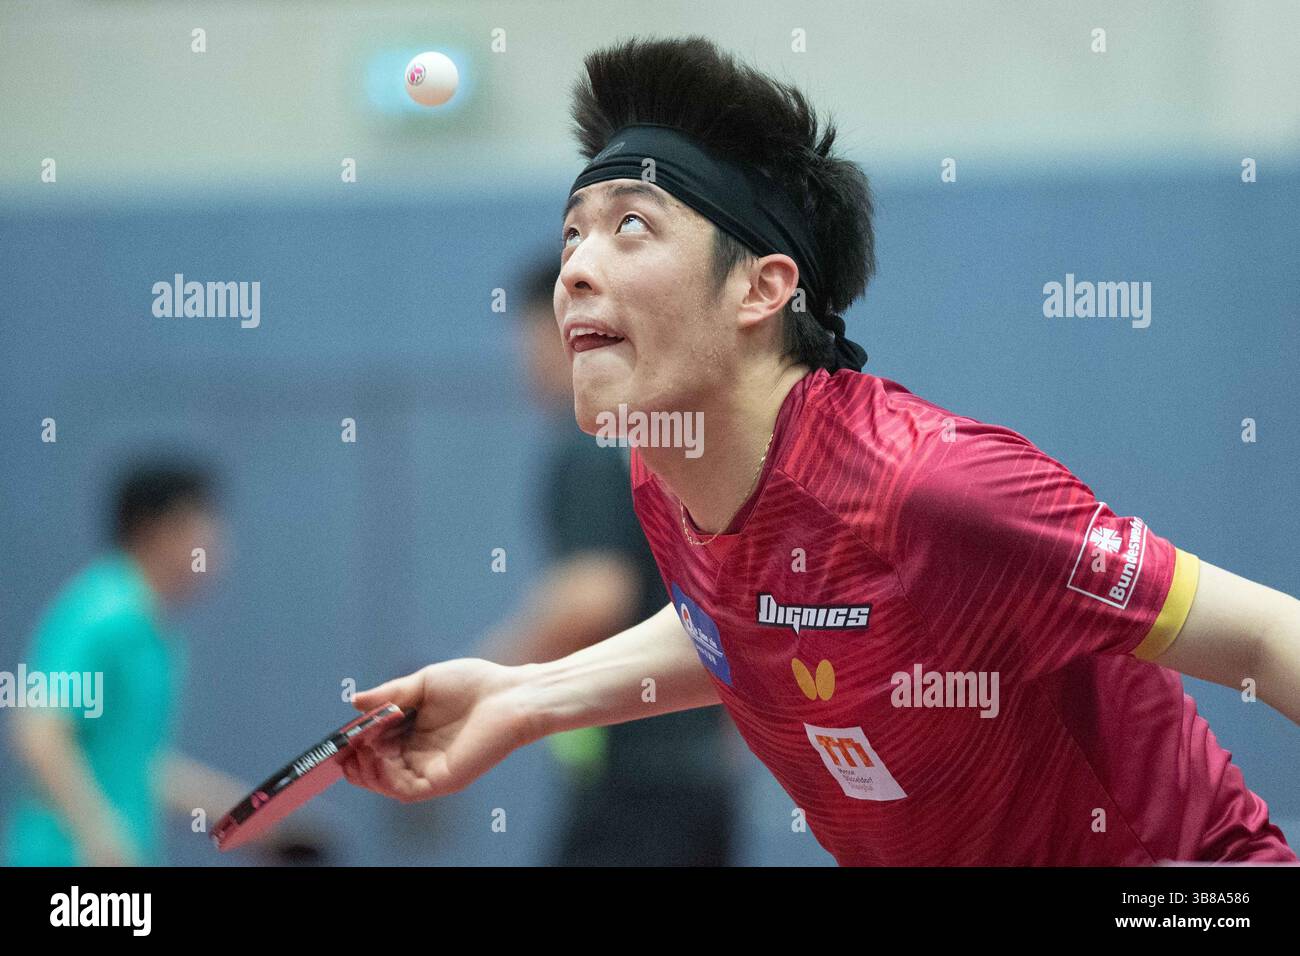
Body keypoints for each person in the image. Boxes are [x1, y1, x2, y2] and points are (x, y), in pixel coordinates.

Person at [341, 36, 1298, 865]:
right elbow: (759, 615)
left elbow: (1263, 635)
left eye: (630, 225)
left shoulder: (934, 489)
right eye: (573, 234)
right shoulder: (666, 469)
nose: (576, 268)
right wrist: (523, 698)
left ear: (762, 289)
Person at [477, 255, 737, 865]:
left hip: (634, 786)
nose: (522, 359)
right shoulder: (667, 441)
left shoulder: (588, 448)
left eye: (528, 337)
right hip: (700, 780)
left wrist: (482, 680)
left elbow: (594, 594)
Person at [5, 460, 272, 865]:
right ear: (159, 530)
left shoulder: (154, 627)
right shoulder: (103, 612)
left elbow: (134, 762)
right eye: (205, 525)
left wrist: (246, 814)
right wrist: (100, 837)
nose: (219, 542)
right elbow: (39, 731)